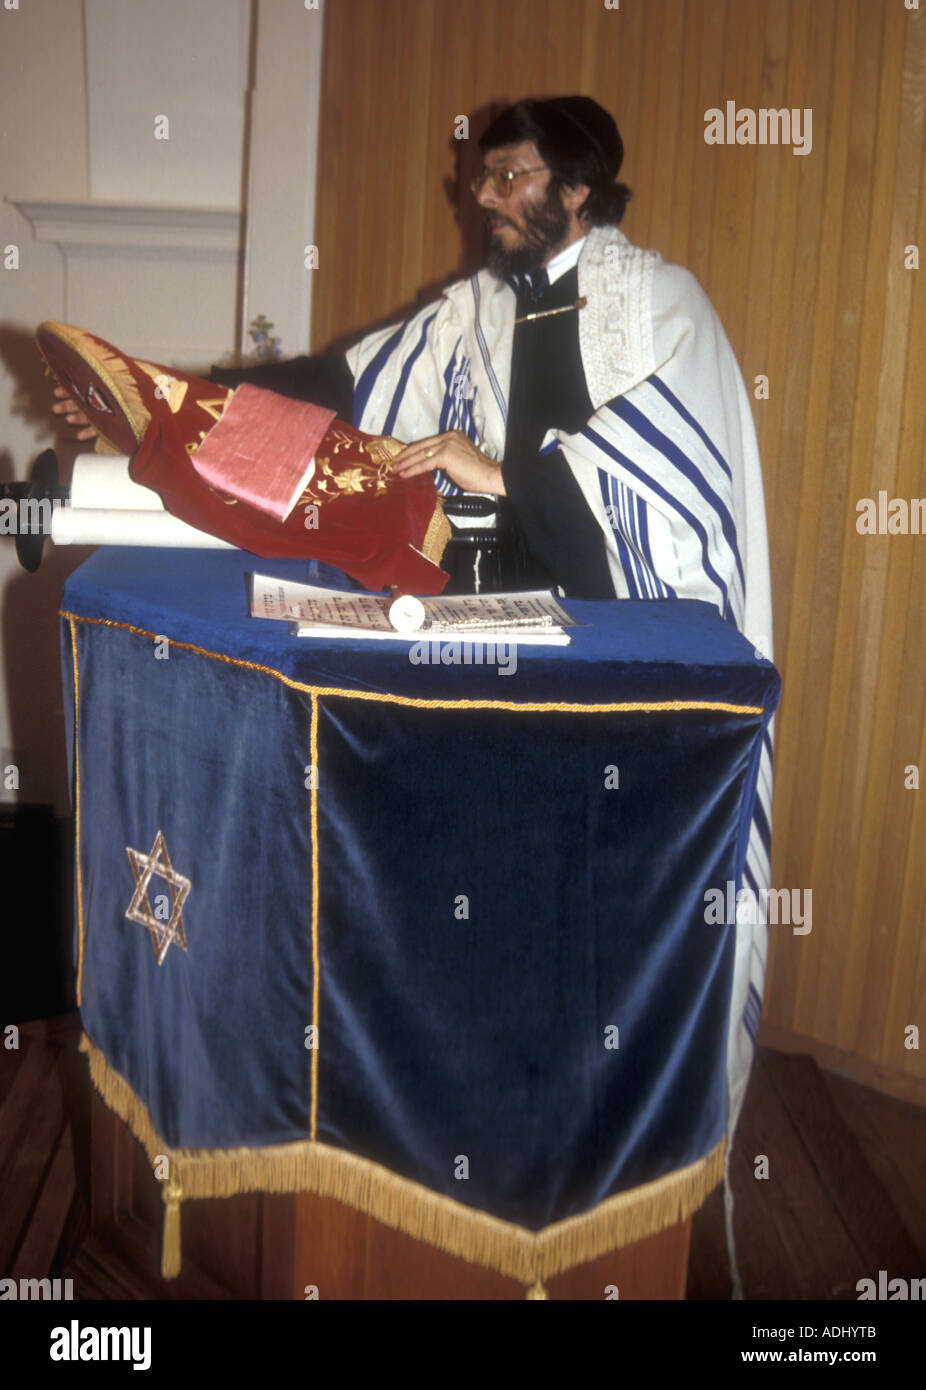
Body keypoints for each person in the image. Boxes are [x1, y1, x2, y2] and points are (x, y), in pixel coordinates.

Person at [53, 95, 773, 1167]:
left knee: (582, 955)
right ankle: (445, 1123)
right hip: (485, 645)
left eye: (510, 177)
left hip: (621, 677)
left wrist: (507, 474)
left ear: (578, 190)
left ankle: (585, 1144)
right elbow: (342, 386)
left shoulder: (658, 306)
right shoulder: (471, 312)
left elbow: (677, 497)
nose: (482, 198)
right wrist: (176, 410)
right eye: (480, 179)